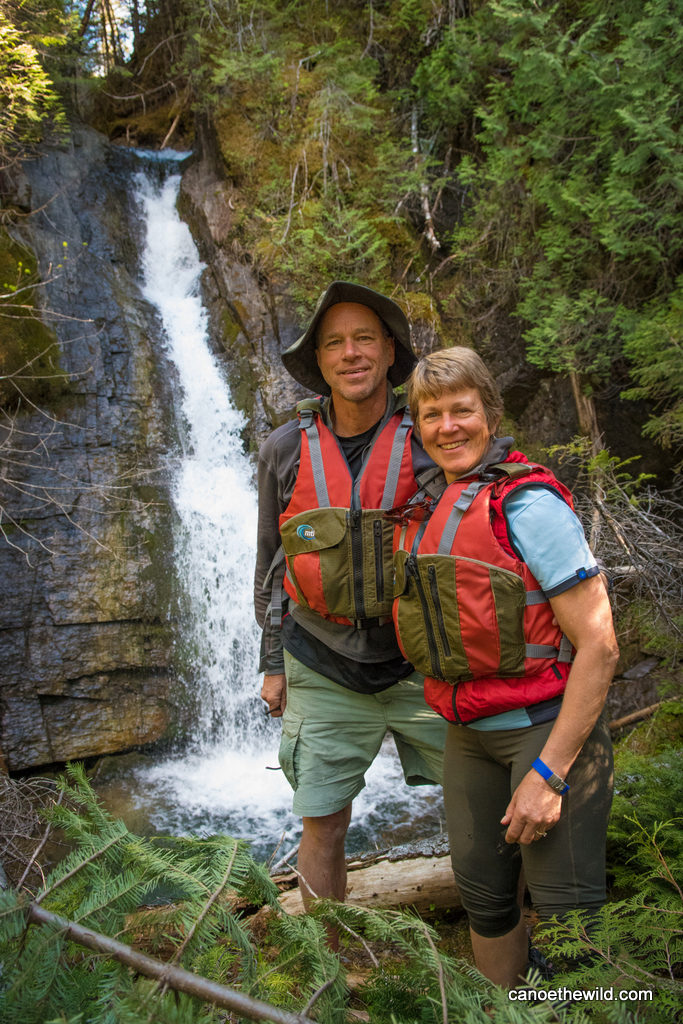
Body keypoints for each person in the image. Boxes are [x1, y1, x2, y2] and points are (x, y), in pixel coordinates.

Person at [391, 347, 618, 987]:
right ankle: (501, 1009)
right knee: (486, 905)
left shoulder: (529, 507)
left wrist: (550, 772)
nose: (447, 426)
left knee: (571, 920)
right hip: (468, 736)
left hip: (546, 730)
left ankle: (604, 1003)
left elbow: (600, 645)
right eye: (431, 414)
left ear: (489, 414)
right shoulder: (431, 507)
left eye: (462, 410)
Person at [254, 281, 447, 932]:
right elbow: (272, 564)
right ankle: (324, 961)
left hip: (423, 659)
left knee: (491, 800)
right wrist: (271, 663)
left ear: (390, 351)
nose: (350, 352)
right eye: (334, 342)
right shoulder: (284, 448)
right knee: (323, 818)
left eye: (364, 337)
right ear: (320, 362)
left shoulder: (434, 437)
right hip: (319, 657)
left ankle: (524, 951)